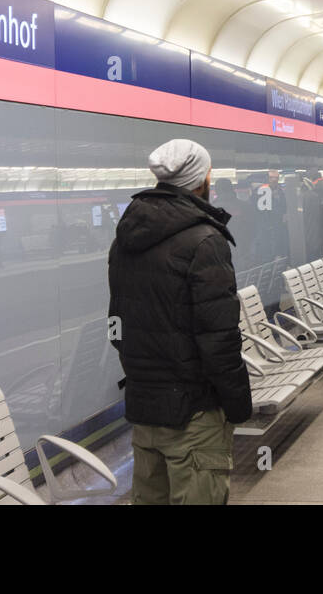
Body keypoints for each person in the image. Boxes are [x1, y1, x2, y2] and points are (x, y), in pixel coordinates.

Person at [108, 139, 252, 505]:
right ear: (202, 178)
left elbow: (118, 325)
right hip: (194, 414)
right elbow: (219, 339)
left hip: (144, 408)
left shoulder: (125, 238)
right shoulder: (204, 241)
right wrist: (238, 404)